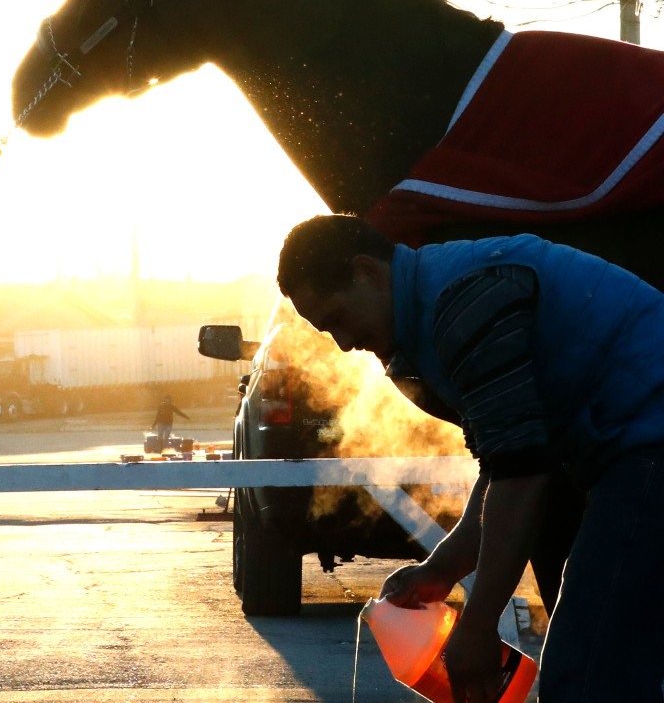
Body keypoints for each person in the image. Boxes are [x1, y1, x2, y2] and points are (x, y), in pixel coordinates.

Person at [275, 214, 664, 703]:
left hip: (649, 440)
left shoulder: (464, 306)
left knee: (589, 671)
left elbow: (522, 472)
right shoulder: (433, 312)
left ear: (367, 273)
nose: (344, 343)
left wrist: (479, 627)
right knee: (613, 657)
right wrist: (441, 569)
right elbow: (503, 462)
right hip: (633, 443)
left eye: (336, 318)